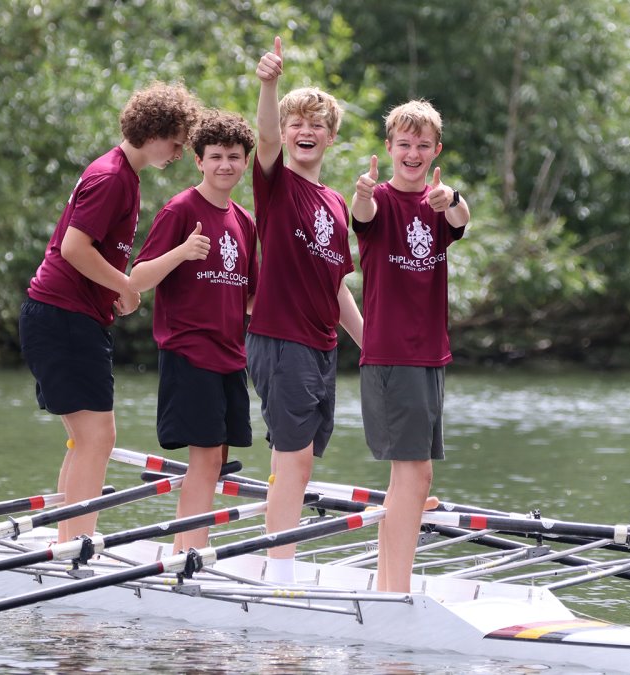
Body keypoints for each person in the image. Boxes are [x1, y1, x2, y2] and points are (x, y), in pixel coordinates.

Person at [20, 82, 202, 543]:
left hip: (66, 315)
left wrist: (112, 288)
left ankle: (66, 542)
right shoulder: (112, 177)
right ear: (154, 132)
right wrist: (124, 285)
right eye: (176, 142)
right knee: (98, 437)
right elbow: (73, 248)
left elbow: (88, 253)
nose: (179, 153)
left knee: (88, 439)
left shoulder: (123, 174)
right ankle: (75, 546)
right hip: (62, 316)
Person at [250, 36, 363, 582]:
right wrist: (270, 85)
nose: (305, 131)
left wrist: (373, 344)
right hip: (280, 337)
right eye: (297, 123)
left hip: (320, 346)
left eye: (316, 124)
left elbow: (337, 287)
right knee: (293, 459)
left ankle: (277, 559)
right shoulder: (277, 184)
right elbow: (266, 136)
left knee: (298, 459)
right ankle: (279, 574)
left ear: (330, 136)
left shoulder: (336, 203)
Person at [350, 99, 471, 593]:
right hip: (391, 355)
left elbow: (461, 219)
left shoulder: (439, 204)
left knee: (409, 480)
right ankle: (395, 591)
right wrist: (361, 192)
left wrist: (452, 197)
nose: (413, 153)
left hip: (429, 356)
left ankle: (389, 585)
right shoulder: (378, 200)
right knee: (416, 478)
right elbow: (362, 215)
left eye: (422, 145)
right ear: (389, 148)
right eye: (404, 144)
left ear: (436, 150)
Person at [128, 110, 259, 553]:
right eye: (216, 156)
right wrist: (182, 253)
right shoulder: (181, 210)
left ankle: (188, 549)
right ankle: (189, 556)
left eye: (234, 157)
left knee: (216, 461)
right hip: (189, 352)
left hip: (230, 357)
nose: (226, 164)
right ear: (199, 161)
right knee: (204, 460)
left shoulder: (245, 222)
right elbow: (137, 278)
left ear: (245, 162)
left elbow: (249, 298)